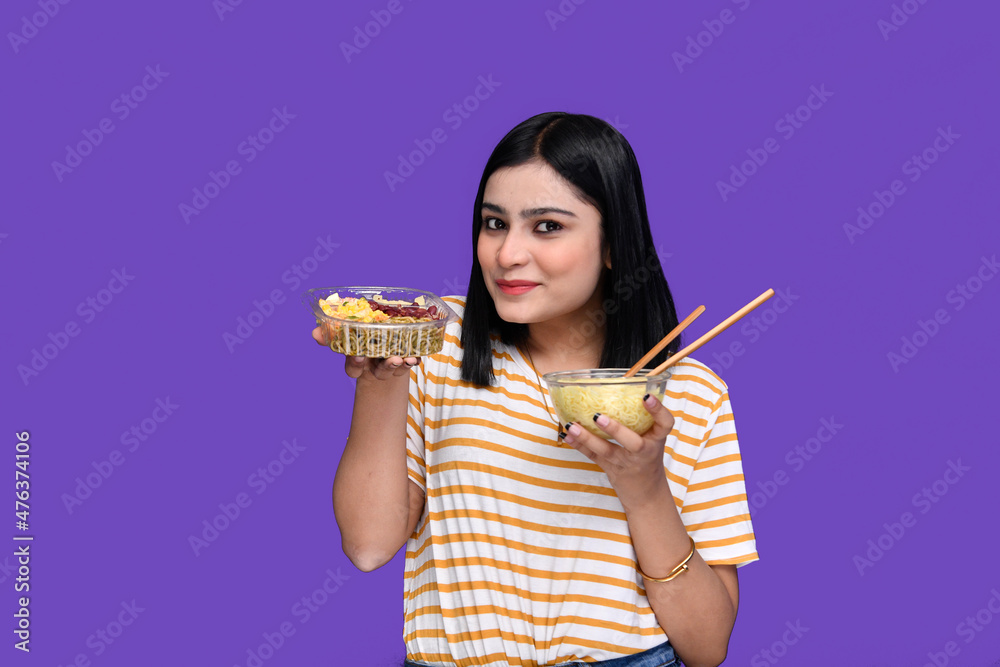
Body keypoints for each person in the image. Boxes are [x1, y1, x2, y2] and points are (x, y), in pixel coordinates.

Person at [315, 112, 758, 667]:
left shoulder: (690, 394)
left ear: (614, 244)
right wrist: (383, 382)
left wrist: (643, 487)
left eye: (547, 226)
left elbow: (707, 646)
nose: (507, 255)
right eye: (494, 223)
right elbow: (368, 546)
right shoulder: (437, 342)